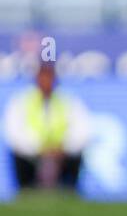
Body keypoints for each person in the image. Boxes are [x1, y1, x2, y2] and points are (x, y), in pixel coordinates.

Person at [4, 62, 90, 193]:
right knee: (18, 156)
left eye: (49, 77)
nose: (46, 82)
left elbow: (82, 132)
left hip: (62, 156)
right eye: (43, 77)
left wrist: (62, 148)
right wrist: (40, 149)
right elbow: (14, 135)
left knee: (77, 155)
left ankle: (70, 190)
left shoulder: (68, 101)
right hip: (32, 157)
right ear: (36, 79)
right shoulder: (21, 101)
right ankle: (26, 191)